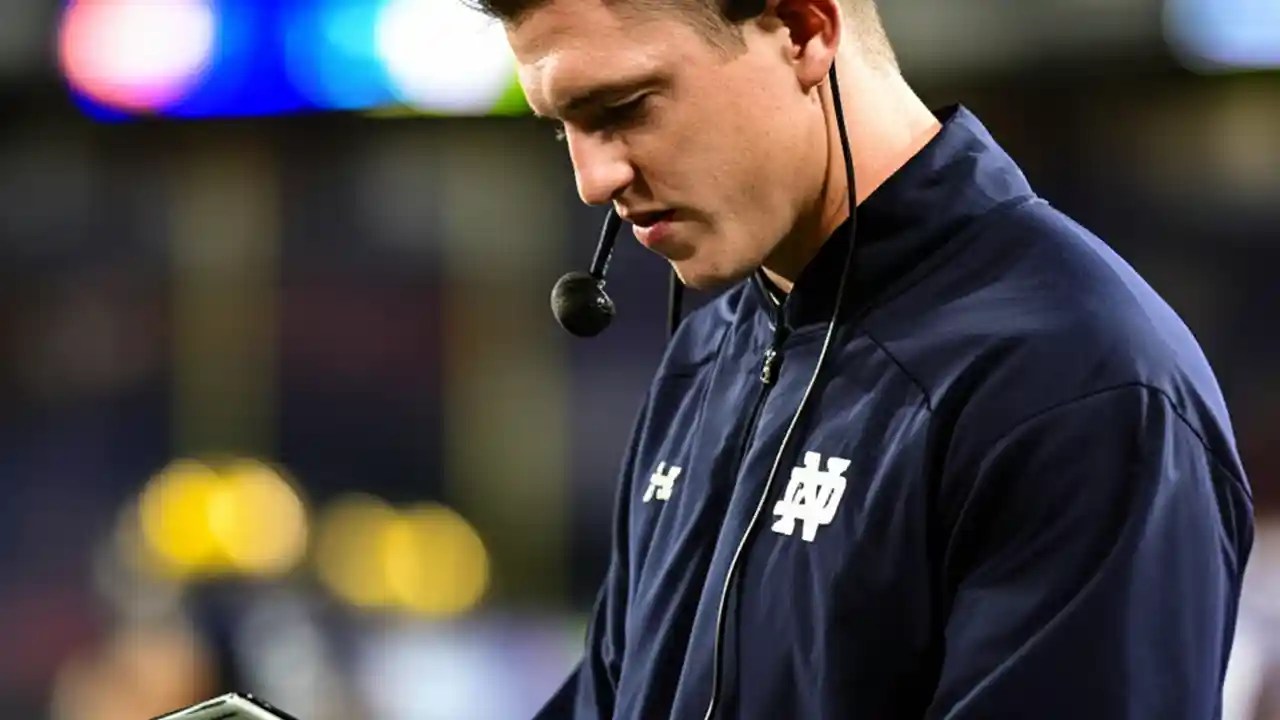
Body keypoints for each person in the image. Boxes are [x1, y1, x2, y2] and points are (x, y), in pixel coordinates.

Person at [471, 0, 1256, 716]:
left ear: (805, 29)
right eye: (561, 125)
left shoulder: (1073, 380)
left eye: (623, 108)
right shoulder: (711, 357)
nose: (593, 177)